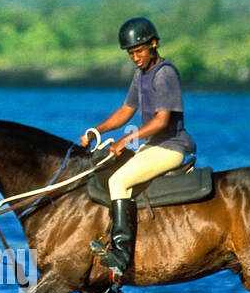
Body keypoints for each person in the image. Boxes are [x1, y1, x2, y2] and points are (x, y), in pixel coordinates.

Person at [82, 16, 196, 279]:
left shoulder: (165, 73)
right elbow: (125, 111)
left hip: (171, 147)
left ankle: (121, 255)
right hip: (153, 146)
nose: (135, 57)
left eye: (139, 51)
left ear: (153, 44)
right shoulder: (140, 74)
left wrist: (126, 140)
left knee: (119, 181)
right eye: (131, 53)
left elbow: (162, 120)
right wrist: (97, 130)